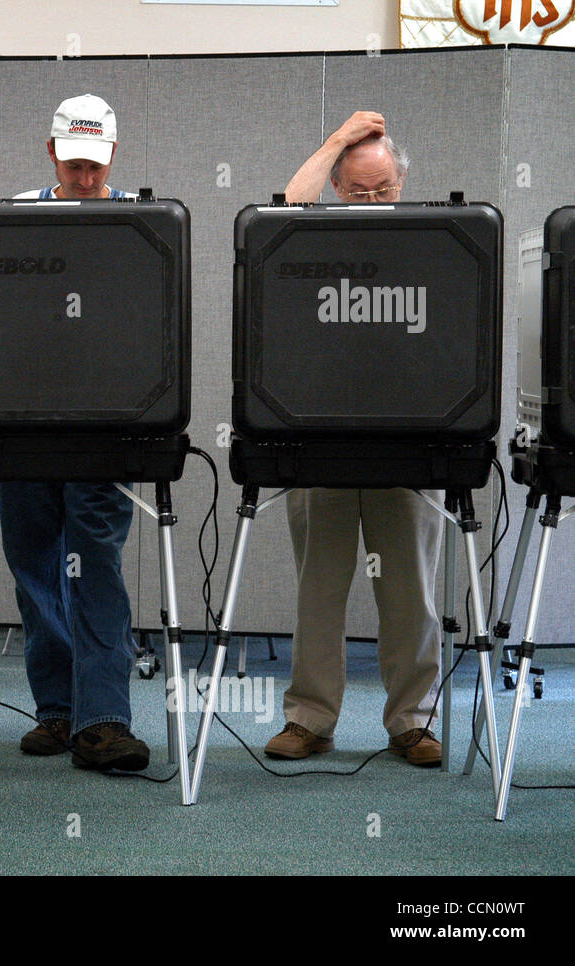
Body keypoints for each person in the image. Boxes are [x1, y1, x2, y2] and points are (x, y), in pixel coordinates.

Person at [264, 111, 444, 767]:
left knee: (412, 592)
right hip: (323, 434)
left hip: (406, 435)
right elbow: (285, 206)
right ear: (338, 187)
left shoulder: (429, 240)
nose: (372, 201)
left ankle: (412, 723)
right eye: (359, 190)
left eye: (383, 189)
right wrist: (337, 140)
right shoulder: (314, 238)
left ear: (401, 181)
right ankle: (309, 720)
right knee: (320, 587)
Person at [0, 94, 151, 772]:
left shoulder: (137, 225)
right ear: (51, 153)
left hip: (103, 421)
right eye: (73, 165)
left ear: (113, 156)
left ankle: (104, 720)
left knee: (95, 567)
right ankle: (56, 711)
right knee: (34, 563)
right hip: (23, 417)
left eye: (95, 166)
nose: (85, 179)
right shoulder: (13, 218)